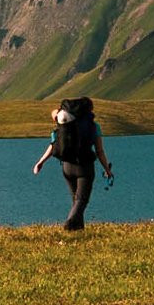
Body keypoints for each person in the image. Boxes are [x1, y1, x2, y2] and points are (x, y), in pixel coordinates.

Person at [32, 96, 112, 231]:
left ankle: (79, 229)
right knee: (81, 200)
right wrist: (107, 170)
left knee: (76, 200)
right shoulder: (93, 126)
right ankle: (69, 225)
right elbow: (99, 151)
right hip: (84, 167)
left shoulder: (62, 126)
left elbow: (53, 146)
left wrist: (40, 162)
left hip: (67, 167)